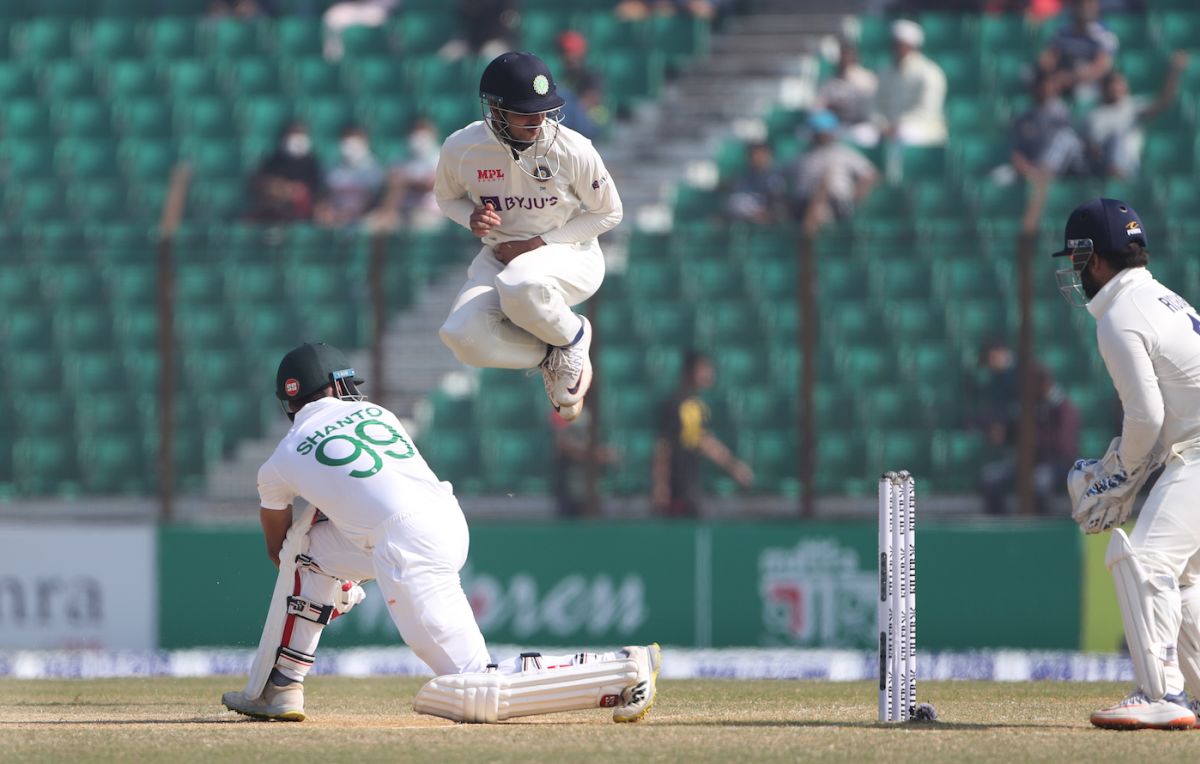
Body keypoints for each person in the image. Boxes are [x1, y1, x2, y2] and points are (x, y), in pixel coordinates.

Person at [220, 342, 660, 723]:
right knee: (311, 552)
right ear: (337, 387)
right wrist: (336, 578)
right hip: (443, 519)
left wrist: (335, 590)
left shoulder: (279, 460)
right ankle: (281, 685)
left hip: (402, 544)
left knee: (471, 686)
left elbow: (278, 550)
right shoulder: (377, 413)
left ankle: (621, 669)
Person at [1053, 198, 1200, 729]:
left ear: (1094, 259)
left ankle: (1163, 694)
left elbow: (1147, 415)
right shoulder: (1161, 298)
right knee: (1183, 576)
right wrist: (1129, 472)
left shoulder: (1120, 314)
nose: (1074, 273)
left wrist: (1117, 479)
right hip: (1193, 448)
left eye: (1075, 260)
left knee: (1145, 562)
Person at [436, 52, 623, 422]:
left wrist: (538, 244)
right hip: (501, 254)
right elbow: (446, 198)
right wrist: (471, 218)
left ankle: (571, 335)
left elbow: (610, 212)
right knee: (461, 336)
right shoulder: (462, 147)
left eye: (544, 112)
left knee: (519, 281)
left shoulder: (573, 148)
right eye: (525, 113)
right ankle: (551, 355)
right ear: (496, 111)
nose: (538, 122)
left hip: (570, 254)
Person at [652, 350, 753, 518]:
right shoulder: (675, 404)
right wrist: (661, 486)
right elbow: (663, 447)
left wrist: (733, 466)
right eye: (704, 369)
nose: (709, 373)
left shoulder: (698, 405)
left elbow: (704, 441)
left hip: (691, 486)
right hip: (675, 487)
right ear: (690, 372)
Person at [977, 364, 1080, 515]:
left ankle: (1041, 530)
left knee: (1039, 483)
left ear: (1043, 384)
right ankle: (1001, 529)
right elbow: (1013, 430)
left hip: (1054, 464)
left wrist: (1033, 441)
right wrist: (1003, 433)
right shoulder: (1028, 406)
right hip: (1025, 462)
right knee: (990, 479)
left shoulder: (1064, 408)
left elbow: (1065, 446)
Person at [1083, 53, 1189, 179]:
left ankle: (1119, 183)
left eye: (1119, 83)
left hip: (1127, 165)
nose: (1115, 88)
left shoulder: (1133, 107)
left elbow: (1164, 103)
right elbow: (1088, 144)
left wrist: (1174, 72)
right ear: (1105, 89)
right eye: (1111, 84)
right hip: (1098, 165)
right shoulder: (1095, 115)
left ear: (1125, 87)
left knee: (1117, 138)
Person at [790, 111, 878, 231]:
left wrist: (856, 196)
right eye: (819, 132)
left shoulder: (843, 153)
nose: (822, 135)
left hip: (837, 203)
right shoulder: (803, 156)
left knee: (820, 209)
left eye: (825, 132)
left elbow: (870, 174)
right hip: (803, 204)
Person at [873, 19, 947, 147]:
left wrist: (897, 125)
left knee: (904, 135)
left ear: (913, 46)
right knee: (860, 135)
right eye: (895, 44)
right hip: (887, 126)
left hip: (923, 128)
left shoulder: (929, 72)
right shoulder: (884, 70)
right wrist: (882, 124)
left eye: (901, 44)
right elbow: (875, 104)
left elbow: (927, 110)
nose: (897, 48)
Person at [1011, 72, 1088, 182]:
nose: (1044, 89)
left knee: (1065, 137)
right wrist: (1026, 168)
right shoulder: (1025, 117)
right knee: (999, 178)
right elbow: (1017, 151)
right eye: (1040, 86)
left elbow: (1070, 144)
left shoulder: (1061, 112)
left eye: (1047, 85)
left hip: (1062, 167)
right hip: (1031, 167)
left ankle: (1042, 177)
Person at [1038, 0, 1118, 102]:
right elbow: (1048, 59)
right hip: (1062, 80)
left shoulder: (1104, 34)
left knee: (1084, 93)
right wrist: (1054, 76)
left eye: (1088, 5)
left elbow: (1101, 67)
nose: (1084, 9)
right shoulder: (1063, 32)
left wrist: (1071, 78)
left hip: (1089, 84)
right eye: (1080, 4)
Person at [317, 123, 386, 228]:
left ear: (365, 143)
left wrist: (356, 214)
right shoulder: (332, 170)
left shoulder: (375, 170)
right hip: (337, 216)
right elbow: (325, 197)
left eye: (356, 142)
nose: (351, 146)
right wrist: (328, 211)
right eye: (347, 142)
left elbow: (377, 200)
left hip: (364, 217)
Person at [816, 40, 878, 146]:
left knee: (868, 136)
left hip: (859, 125)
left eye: (847, 56)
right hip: (837, 125)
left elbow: (867, 107)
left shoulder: (866, 79)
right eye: (842, 56)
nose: (844, 59)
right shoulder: (830, 81)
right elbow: (818, 107)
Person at [725, 142, 789, 226]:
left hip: (774, 217)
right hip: (752, 217)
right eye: (755, 155)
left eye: (762, 155)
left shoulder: (777, 175)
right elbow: (737, 202)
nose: (758, 158)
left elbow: (780, 202)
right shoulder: (744, 177)